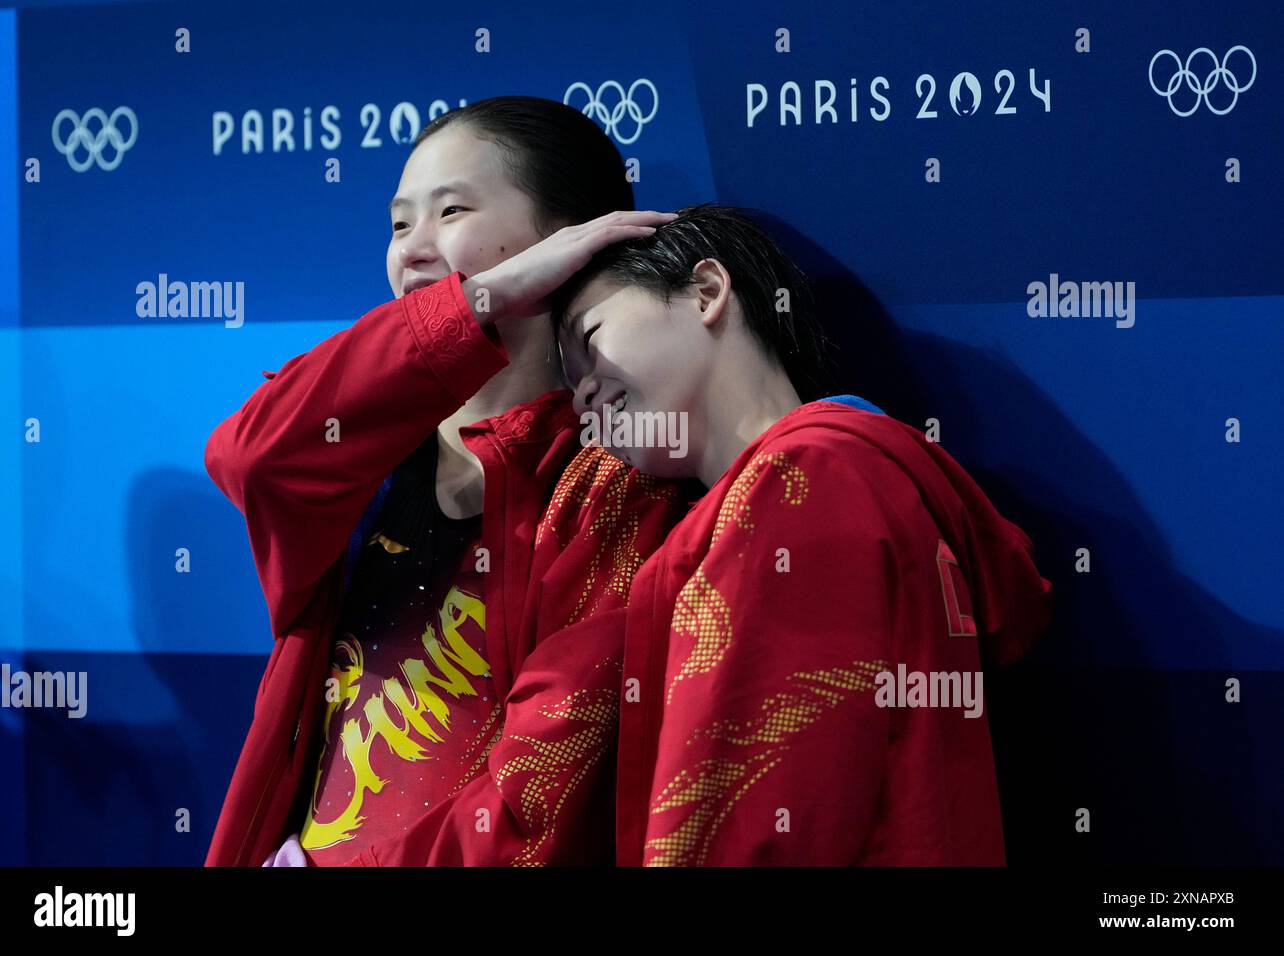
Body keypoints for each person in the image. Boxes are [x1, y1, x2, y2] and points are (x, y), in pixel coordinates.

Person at [204, 96, 688, 867]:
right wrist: (482, 295)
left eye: (450, 211)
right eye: (399, 225)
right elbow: (251, 456)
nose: (412, 252)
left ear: (567, 243)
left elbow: (538, 796)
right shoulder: (358, 463)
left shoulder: (614, 479)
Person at [552, 203, 1054, 864]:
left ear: (707, 291)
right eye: (569, 386)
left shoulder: (802, 478)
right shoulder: (840, 468)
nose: (584, 395)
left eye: (591, 343)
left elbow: (763, 816)